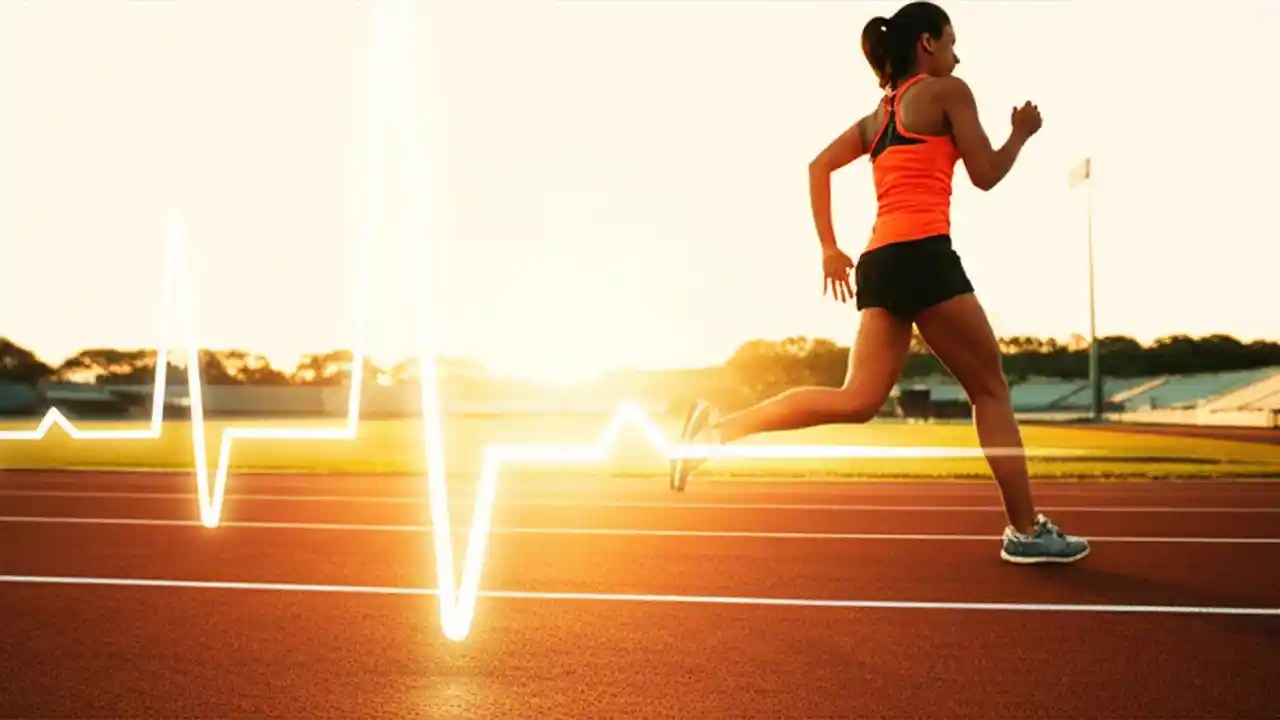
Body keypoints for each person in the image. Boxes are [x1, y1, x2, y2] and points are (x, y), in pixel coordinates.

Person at [670, 1, 1089, 565]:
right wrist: (1020, 134)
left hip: (879, 261)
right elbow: (986, 174)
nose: (958, 54)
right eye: (951, 42)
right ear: (927, 45)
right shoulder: (949, 91)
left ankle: (716, 431)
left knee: (858, 399)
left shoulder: (878, 116)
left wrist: (828, 246)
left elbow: (817, 166)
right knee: (990, 388)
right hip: (922, 254)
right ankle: (1024, 530)